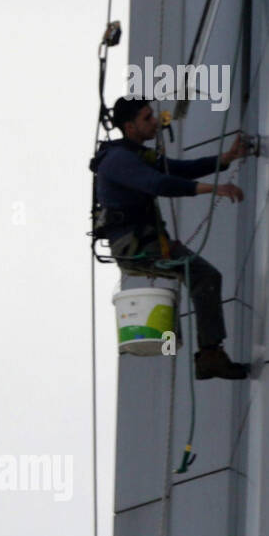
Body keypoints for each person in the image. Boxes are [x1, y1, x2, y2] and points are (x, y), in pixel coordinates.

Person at [91, 97, 252, 380]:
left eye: (153, 115)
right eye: (147, 118)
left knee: (201, 275)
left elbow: (177, 169)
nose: (156, 122)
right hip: (137, 246)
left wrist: (225, 159)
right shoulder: (118, 160)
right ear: (130, 127)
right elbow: (160, 184)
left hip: (145, 242)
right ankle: (210, 356)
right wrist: (213, 189)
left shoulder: (135, 156)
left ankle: (210, 354)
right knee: (203, 275)